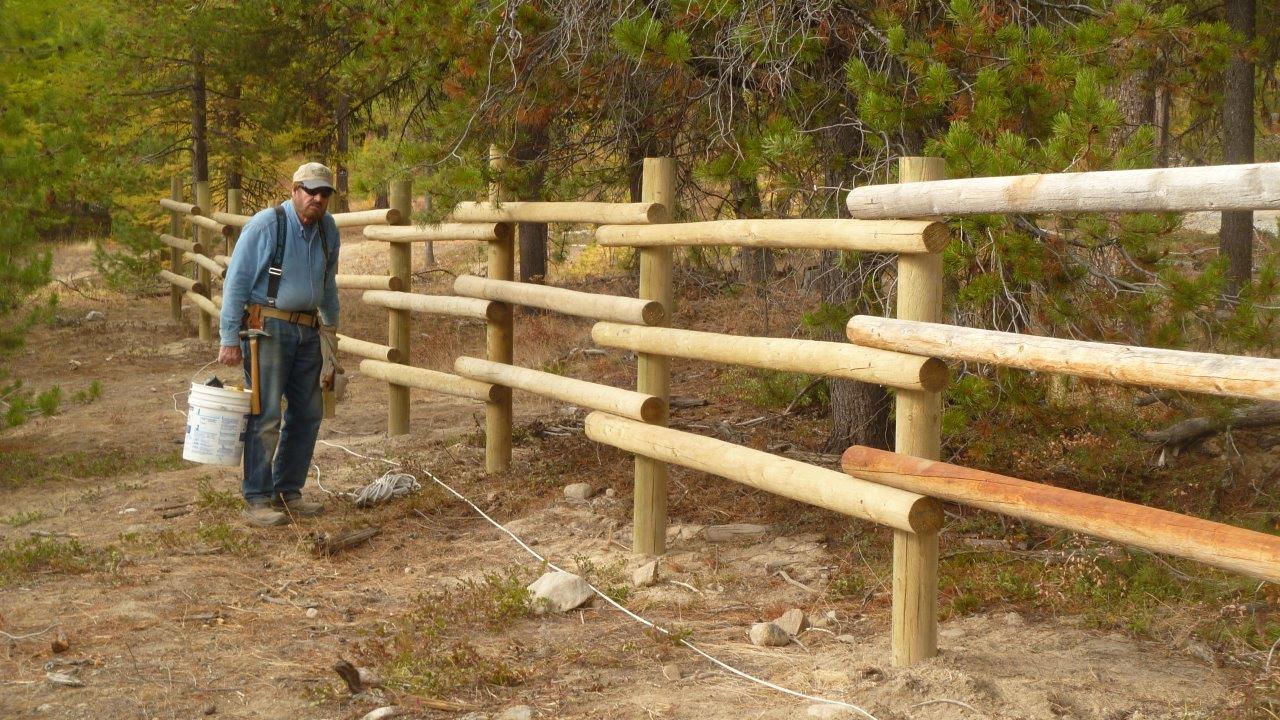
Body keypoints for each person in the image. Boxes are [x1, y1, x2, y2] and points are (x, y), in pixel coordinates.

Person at [218, 162, 341, 527]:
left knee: (308, 413)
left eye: (324, 194)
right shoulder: (266, 224)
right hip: (267, 329)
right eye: (311, 191)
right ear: (294, 190)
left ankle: (289, 492)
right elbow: (236, 283)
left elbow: (328, 282)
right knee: (265, 414)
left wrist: (332, 332)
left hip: (309, 330)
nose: (317, 199)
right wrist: (228, 338)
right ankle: (257, 497)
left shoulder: (328, 229)